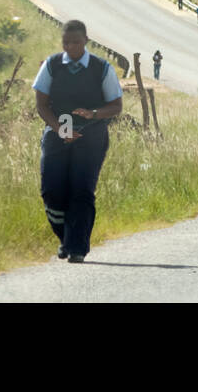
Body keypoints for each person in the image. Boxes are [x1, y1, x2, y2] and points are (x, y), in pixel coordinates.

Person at [32, 20, 122, 264]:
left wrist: (93, 114)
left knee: (81, 190)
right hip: (57, 131)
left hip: (92, 134)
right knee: (51, 191)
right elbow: (41, 104)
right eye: (66, 42)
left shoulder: (101, 68)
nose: (70, 47)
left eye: (76, 42)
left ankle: (77, 248)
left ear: (86, 42)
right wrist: (60, 129)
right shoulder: (51, 65)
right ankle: (66, 239)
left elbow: (116, 106)